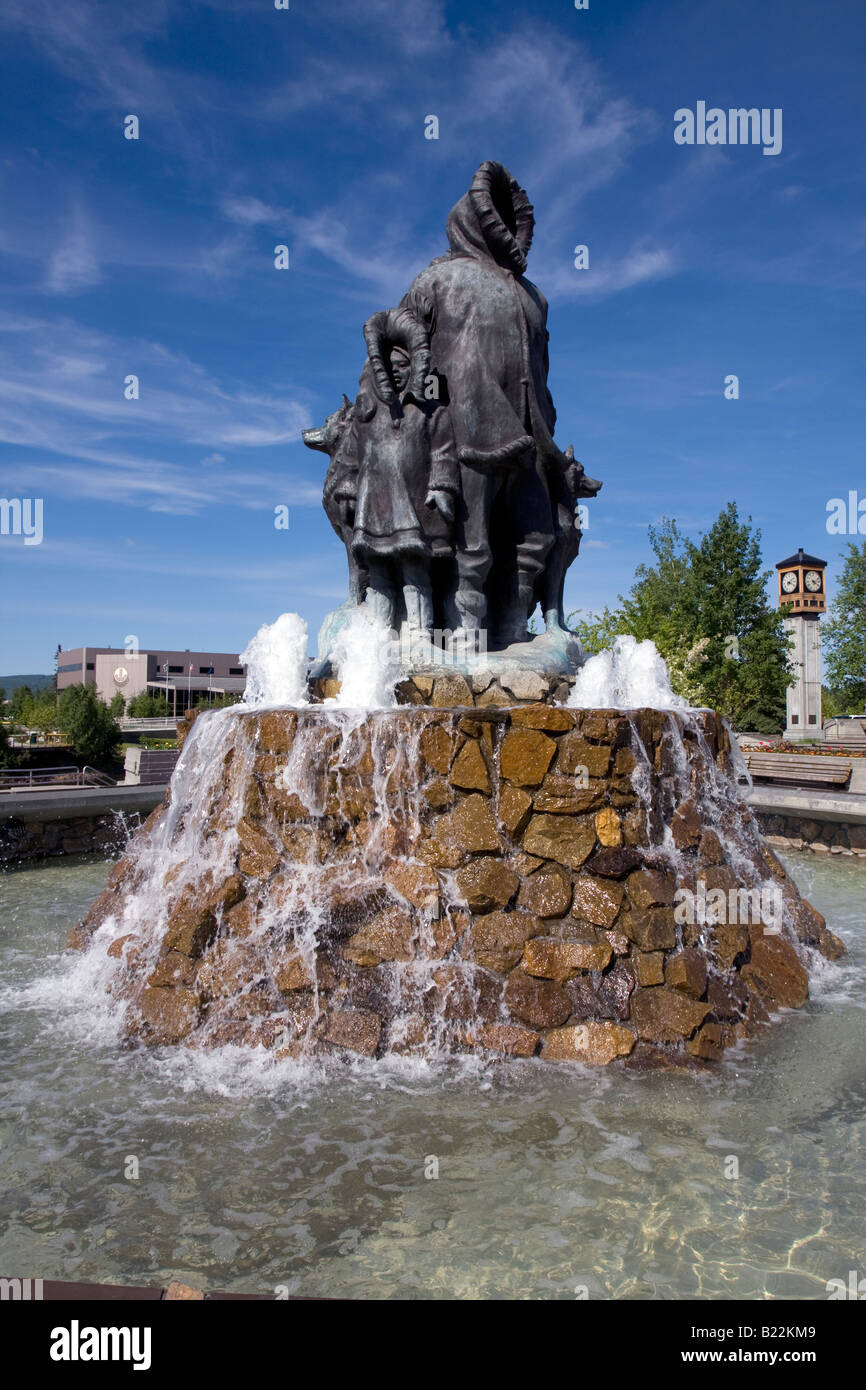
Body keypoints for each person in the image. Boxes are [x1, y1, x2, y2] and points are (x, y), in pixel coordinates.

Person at [350, 311, 458, 651]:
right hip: (375, 502)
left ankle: (421, 636)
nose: (397, 370)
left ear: (415, 368)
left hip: (411, 503)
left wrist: (441, 487)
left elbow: (443, 451)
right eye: (391, 364)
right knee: (379, 572)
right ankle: (380, 639)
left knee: (414, 567)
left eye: (403, 364)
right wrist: (352, 488)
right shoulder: (367, 415)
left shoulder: (431, 412)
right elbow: (352, 455)